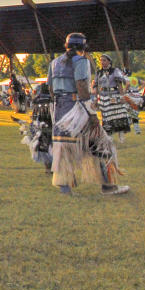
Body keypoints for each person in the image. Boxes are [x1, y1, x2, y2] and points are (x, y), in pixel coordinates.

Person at [49, 33, 128, 195]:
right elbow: (81, 86)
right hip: (76, 107)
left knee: (65, 148)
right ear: (83, 48)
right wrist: (91, 113)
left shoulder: (54, 62)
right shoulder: (81, 61)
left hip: (59, 110)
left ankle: (65, 187)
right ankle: (108, 186)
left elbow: (50, 88)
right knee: (101, 143)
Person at [94, 55, 130, 143]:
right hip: (103, 97)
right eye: (101, 61)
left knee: (117, 114)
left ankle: (121, 134)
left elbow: (120, 85)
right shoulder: (99, 73)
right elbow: (96, 86)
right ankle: (108, 136)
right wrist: (95, 99)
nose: (102, 62)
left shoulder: (115, 71)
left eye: (104, 60)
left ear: (109, 61)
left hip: (114, 95)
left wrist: (122, 96)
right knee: (106, 116)